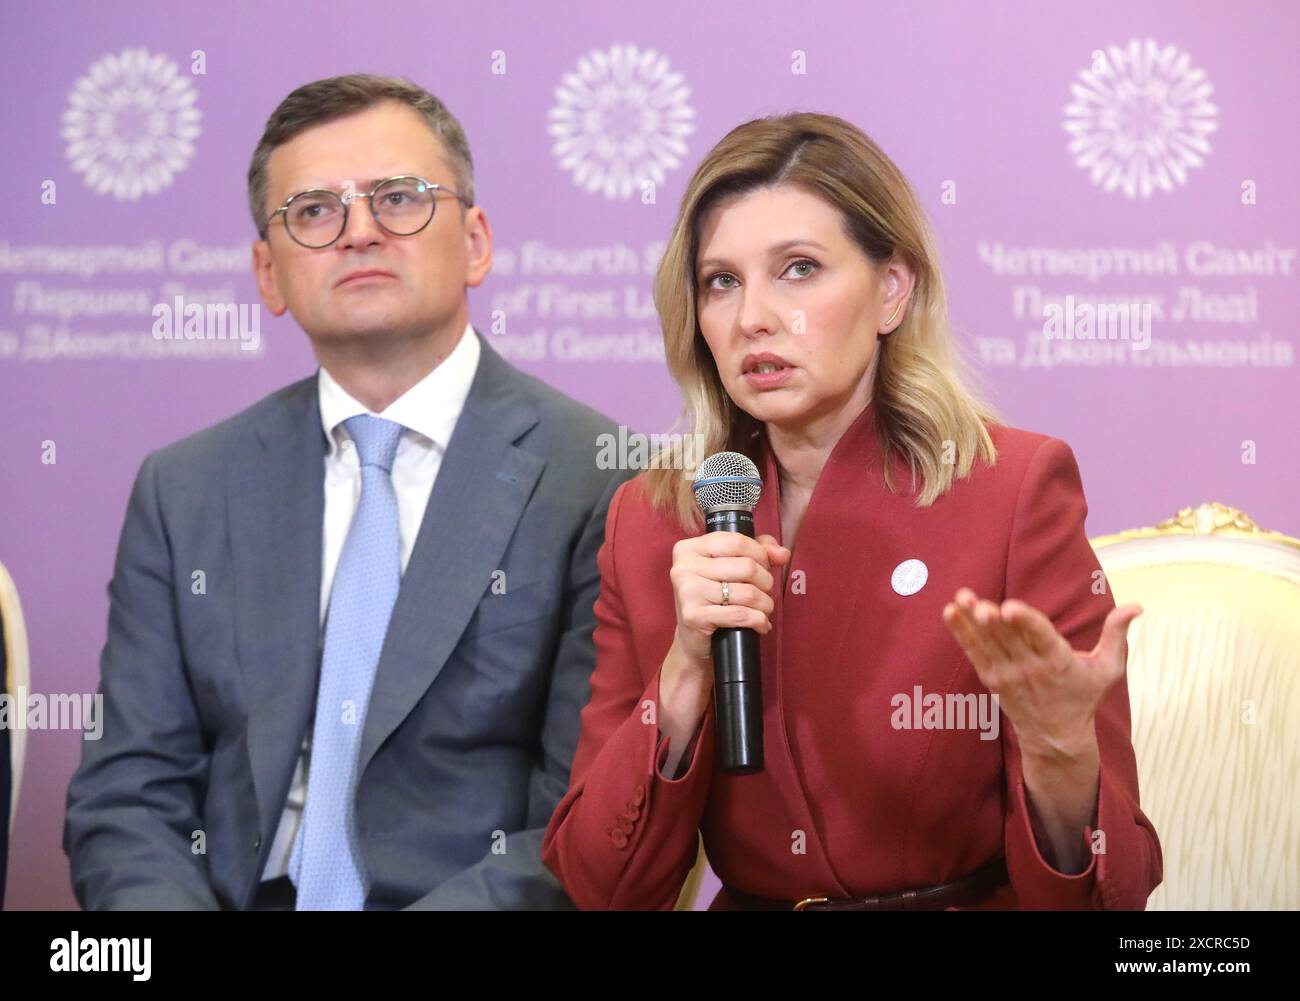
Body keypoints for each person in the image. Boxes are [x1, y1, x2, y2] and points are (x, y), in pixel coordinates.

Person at [541, 112, 1164, 910]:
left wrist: (1059, 755)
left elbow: (1114, 899)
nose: (754, 316)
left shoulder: (1012, 489)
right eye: (720, 281)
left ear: (892, 291)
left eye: (798, 269)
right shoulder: (654, 517)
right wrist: (684, 672)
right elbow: (604, 888)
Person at [64, 74, 631, 910]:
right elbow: (126, 798)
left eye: (399, 199)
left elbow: (580, 823)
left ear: (476, 241)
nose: (360, 231)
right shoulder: (185, 488)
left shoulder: (597, 475)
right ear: (269, 273)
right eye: (315, 212)